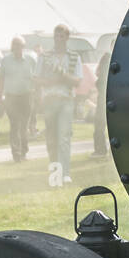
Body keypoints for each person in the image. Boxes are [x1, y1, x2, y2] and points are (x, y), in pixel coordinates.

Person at [39, 24, 83, 184]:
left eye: (61, 36)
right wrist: (51, 81)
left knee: (64, 136)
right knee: (51, 138)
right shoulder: (44, 56)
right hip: (50, 99)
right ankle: (54, 174)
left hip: (66, 100)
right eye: (56, 36)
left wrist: (63, 75)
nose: (58, 39)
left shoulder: (74, 57)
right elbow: (37, 78)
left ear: (66, 38)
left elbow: (78, 81)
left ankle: (65, 173)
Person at [1, 35, 36, 163]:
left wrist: (38, 94)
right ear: (12, 47)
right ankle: (16, 154)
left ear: (23, 47)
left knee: (24, 125)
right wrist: (0, 95)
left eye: (19, 45)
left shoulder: (31, 60)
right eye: (14, 45)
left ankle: (24, 152)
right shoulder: (5, 60)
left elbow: (36, 78)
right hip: (11, 97)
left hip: (27, 96)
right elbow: (1, 78)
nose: (17, 47)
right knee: (15, 125)